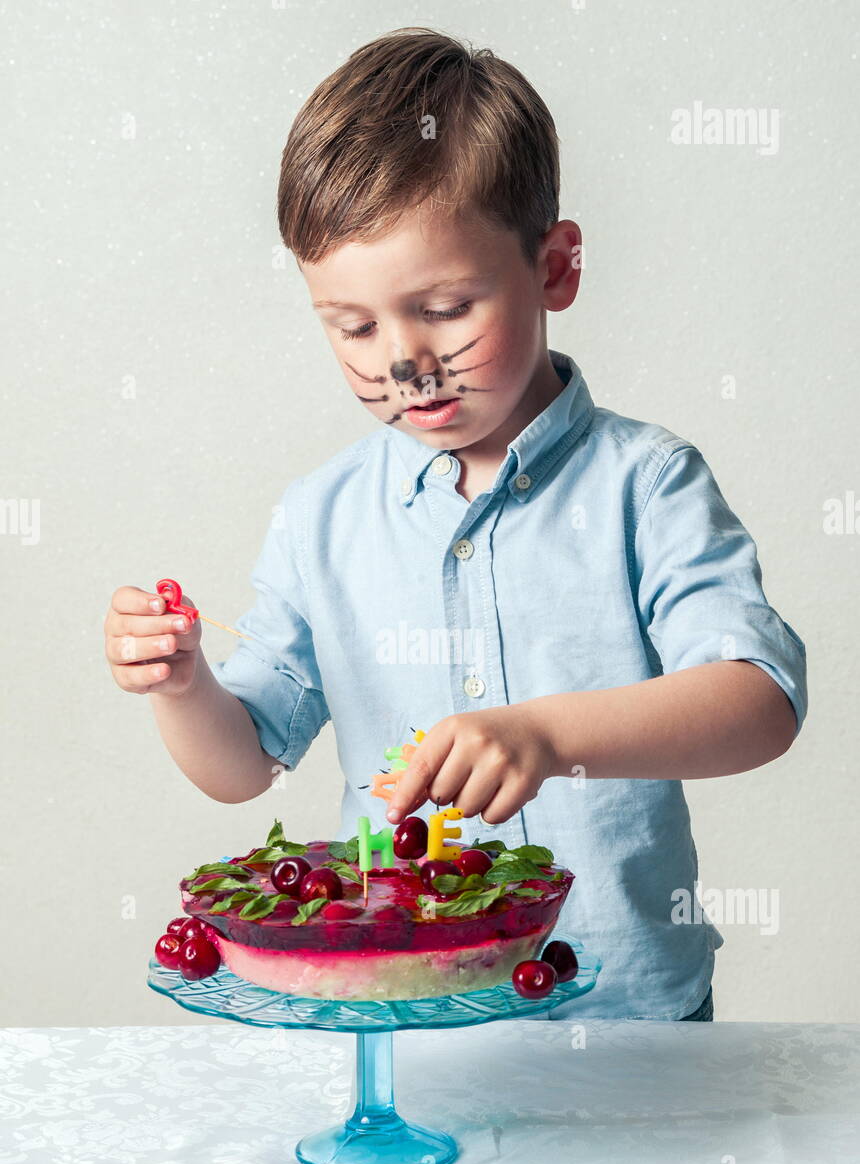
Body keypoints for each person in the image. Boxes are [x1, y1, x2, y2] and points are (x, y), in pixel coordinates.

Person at [104, 29, 806, 1022]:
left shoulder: (643, 484)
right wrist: (180, 685)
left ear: (554, 268)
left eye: (444, 307)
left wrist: (545, 733)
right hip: (400, 1022)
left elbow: (759, 702)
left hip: (626, 1031)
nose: (402, 359)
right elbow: (244, 763)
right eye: (352, 326)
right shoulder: (320, 517)